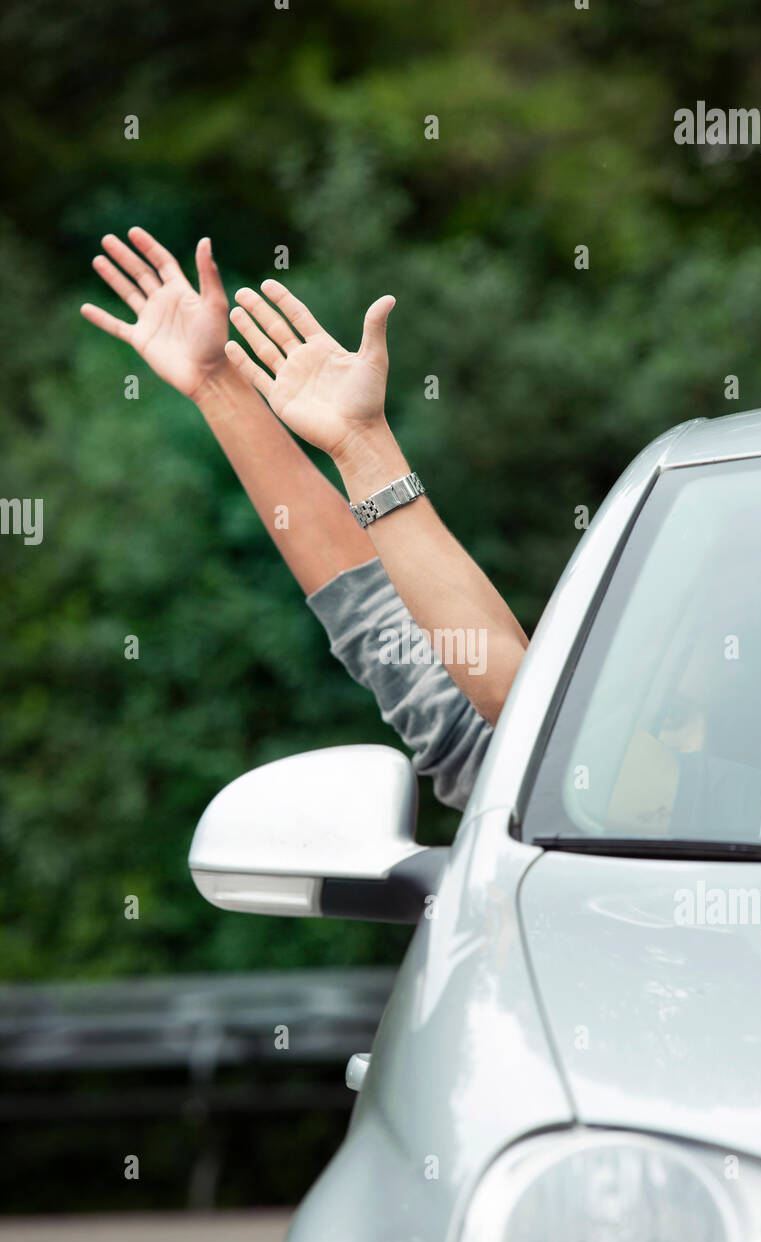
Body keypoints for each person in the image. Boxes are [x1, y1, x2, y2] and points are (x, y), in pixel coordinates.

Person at [81, 228, 520, 810]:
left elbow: (522, 717)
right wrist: (219, 386)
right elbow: (396, 635)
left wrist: (363, 448)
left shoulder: (581, 777)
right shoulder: (556, 768)